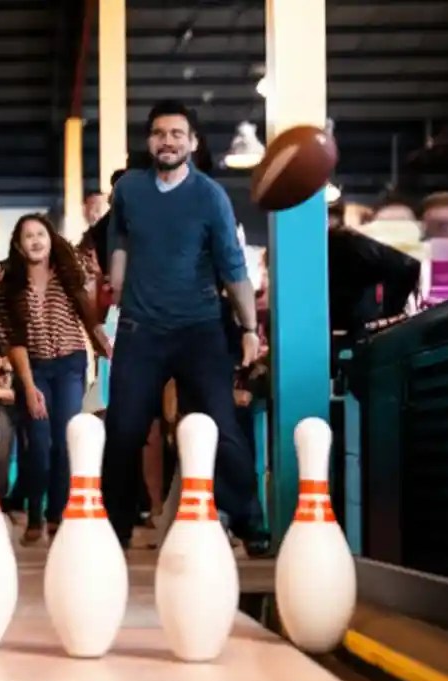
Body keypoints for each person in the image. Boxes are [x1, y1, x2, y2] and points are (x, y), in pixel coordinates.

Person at [102, 99, 270, 556]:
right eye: (159, 133)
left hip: (200, 331)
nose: (168, 141)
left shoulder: (210, 195)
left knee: (221, 425)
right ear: (149, 141)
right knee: (123, 429)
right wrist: (116, 284)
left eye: (177, 134)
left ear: (193, 143)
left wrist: (250, 328)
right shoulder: (131, 189)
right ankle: (112, 528)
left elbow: (233, 267)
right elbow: (119, 237)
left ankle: (252, 524)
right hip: (141, 329)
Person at [0, 214, 109, 544]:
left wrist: (104, 346)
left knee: (64, 440)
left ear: (51, 238)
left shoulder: (70, 273)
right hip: (33, 367)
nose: (36, 241)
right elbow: (10, 339)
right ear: (18, 244)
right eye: (28, 236)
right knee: (38, 443)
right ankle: (34, 513)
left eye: (41, 233)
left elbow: (90, 316)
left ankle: (57, 516)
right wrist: (27, 386)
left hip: (70, 365)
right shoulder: (5, 282)